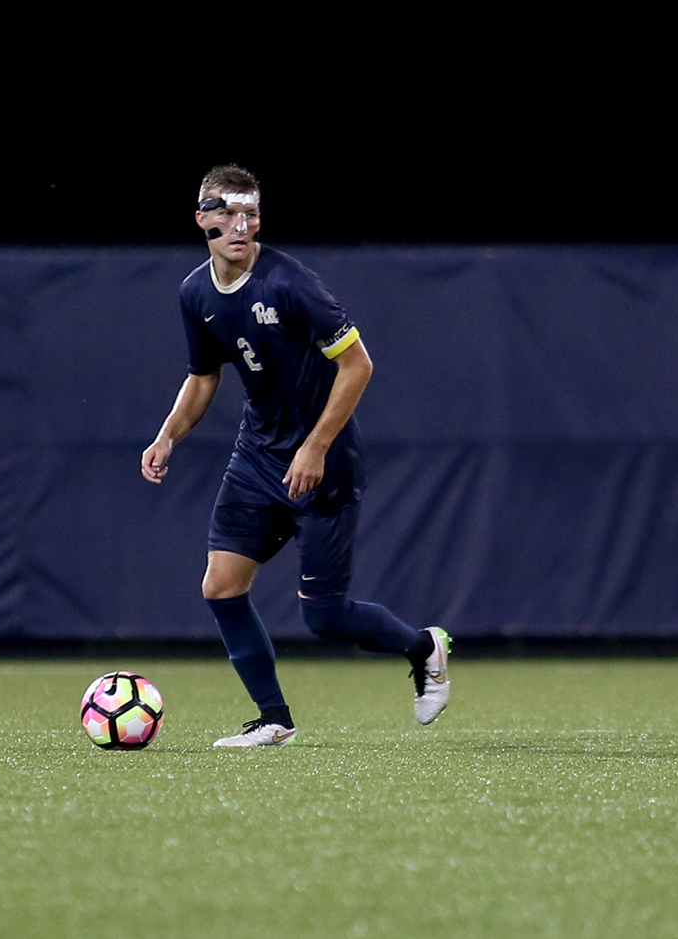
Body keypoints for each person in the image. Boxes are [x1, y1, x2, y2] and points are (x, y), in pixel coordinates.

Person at [140, 164, 451, 747]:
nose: (241, 225)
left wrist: (316, 446)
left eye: (251, 213)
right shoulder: (196, 292)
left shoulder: (290, 284)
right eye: (227, 213)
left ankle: (422, 646)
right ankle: (273, 717)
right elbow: (204, 376)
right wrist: (167, 436)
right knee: (220, 586)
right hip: (257, 456)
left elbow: (357, 366)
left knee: (324, 618)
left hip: (323, 463)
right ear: (201, 219)